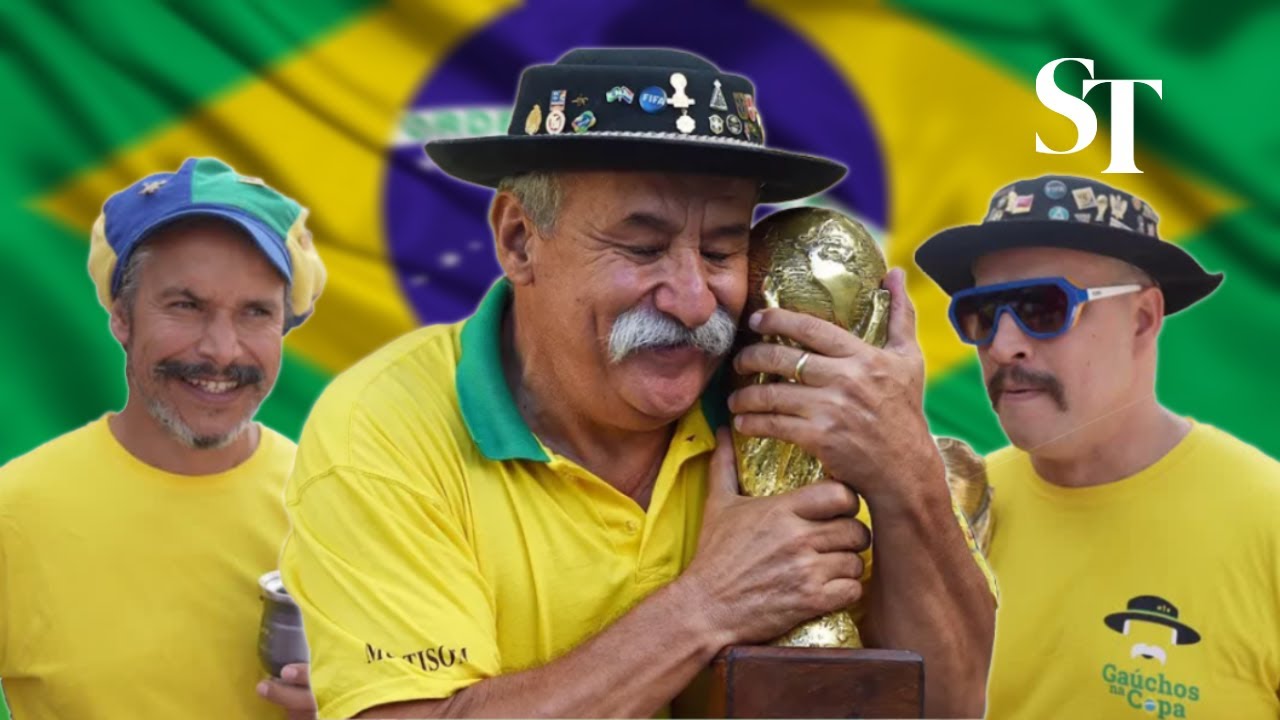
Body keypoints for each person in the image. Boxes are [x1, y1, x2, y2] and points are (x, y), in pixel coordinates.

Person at [282, 48, 996, 719]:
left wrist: (906, 472)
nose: (692, 300)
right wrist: (706, 606)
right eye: (642, 246)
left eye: (721, 249)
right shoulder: (383, 426)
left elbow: (949, 705)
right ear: (519, 239)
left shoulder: (801, 397)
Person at [916, 175, 1280, 718]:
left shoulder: (1266, 518)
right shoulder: (949, 517)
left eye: (1042, 308)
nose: (1004, 345)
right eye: (985, 315)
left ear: (1142, 318)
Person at [0, 158, 326, 719]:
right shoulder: (14, 514)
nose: (222, 350)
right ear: (122, 317)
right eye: (185, 305)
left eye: (255, 312)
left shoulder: (344, 510)